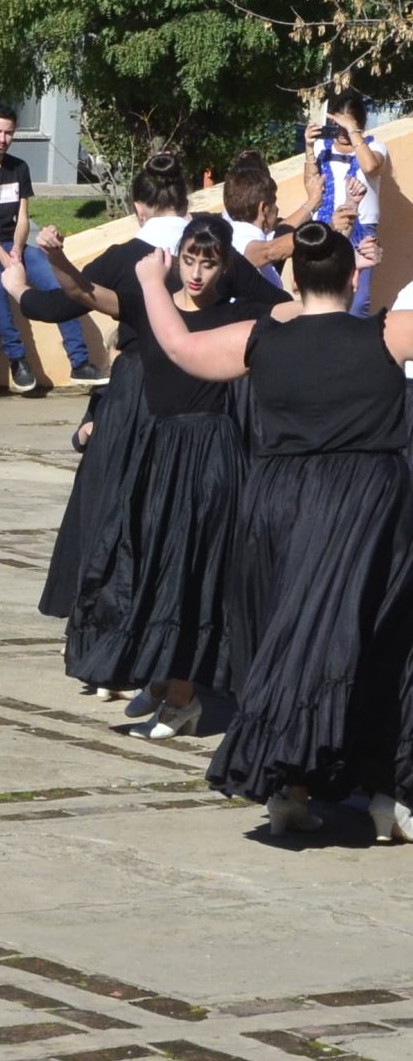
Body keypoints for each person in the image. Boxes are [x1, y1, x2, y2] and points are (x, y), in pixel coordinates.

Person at [136, 226, 413, 838]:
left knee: (287, 637)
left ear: (295, 281)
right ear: (350, 280)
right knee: (379, 643)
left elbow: (181, 347)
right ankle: (387, 794)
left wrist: (151, 284)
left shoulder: (260, 339)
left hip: (277, 506)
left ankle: (290, 787)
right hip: (366, 506)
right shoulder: (387, 332)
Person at [28, 216, 277, 739]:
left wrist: (343, 271)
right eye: (190, 260)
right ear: (177, 256)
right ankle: (160, 679)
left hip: (209, 457)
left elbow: (300, 315)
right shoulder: (154, 303)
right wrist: (54, 257)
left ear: (223, 266)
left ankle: (184, 696)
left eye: (209, 264)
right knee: (146, 561)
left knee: (192, 571)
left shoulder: (241, 315)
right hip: (157, 452)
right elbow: (83, 293)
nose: (197, 273)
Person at [0, 100, 93, 392]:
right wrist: (3, 256)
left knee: (58, 280)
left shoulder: (19, 168)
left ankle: (80, 361)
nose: (2, 139)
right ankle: (17, 359)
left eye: (8, 133)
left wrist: (18, 250)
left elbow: (23, 217)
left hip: (14, 243)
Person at [311, 89, 385, 315]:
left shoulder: (374, 148)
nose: (341, 132)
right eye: (338, 125)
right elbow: (310, 185)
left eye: (347, 126)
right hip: (326, 227)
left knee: (357, 299)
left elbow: (371, 167)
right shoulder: (321, 148)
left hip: (361, 230)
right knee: (320, 293)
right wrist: (307, 148)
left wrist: (354, 133)